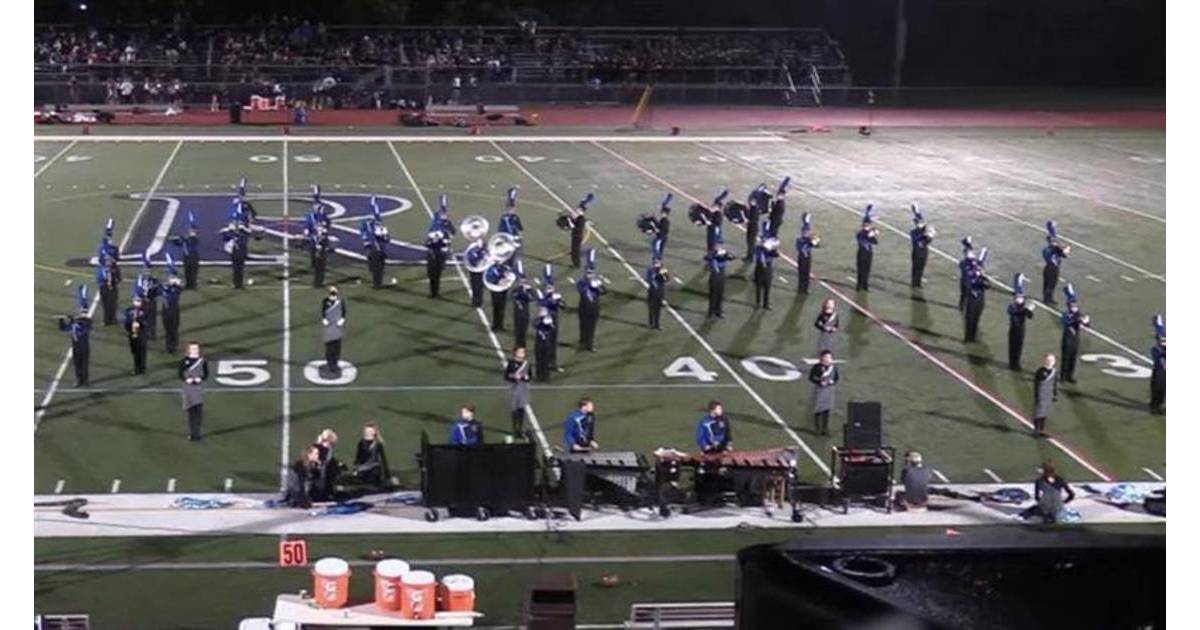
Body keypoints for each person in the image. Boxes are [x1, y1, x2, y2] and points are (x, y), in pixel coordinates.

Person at [57, 286, 92, 387]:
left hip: (84, 346)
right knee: (77, 364)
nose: (83, 314)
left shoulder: (87, 322)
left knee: (84, 364)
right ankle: (79, 380)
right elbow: (63, 328)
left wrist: (73, 321)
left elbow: (83, 329)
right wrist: (61, 320)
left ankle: (85, 381)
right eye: (82, 312)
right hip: (76, 346)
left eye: (84, 312)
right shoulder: (76, 322)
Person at [1059, 284, 1090, 384]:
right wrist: (1078, 320)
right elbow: (1067, 322)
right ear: (1069, 306)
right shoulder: (1066, 314)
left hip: (1075, 339)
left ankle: (1070, 375)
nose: (1075, 308)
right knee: (1066, 357)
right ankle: (1063, 376)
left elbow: (1085, 326)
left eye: (1076, 306)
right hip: (1067, 339)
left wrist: (1086, 321)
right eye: (1073, 306)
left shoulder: (1079, 315)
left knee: (1073, 358)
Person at [576, 250, 606, 352]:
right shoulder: (581, 282)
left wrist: (598, 286)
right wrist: (589, 285)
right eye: (588, 273)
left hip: (594, 308)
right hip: (583, 308)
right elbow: (581, 291)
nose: (590, 275)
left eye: (591, 273)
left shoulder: (596, 282)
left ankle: (590, 344)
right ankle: (582, 343)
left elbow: (604, 292)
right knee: (583, 326)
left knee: (592, 328)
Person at [178, 341, 208, 441]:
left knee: (198, 412)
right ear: (188, 350)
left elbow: (206, 374)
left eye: (196, 348)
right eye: (192, 348)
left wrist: (201, 378)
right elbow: (180, 374)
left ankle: (197, 433)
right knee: (191, 412)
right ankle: (192, 433)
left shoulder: (202, 361)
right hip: (188, 388)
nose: (194, 350)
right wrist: (187, 379)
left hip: (198, 388)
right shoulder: (184, 361)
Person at [360, 197, 390, 289]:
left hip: (380, 249)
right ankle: (376, 283)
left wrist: (384, 236)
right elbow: (365, 235)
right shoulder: (368, 225)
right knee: (375, 267)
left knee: (379, 268)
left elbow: (387, 239)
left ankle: (378, 283)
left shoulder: (379, 226)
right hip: (374, 249)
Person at [1006, 274, 1035, 370]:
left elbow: (1030, 317)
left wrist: (1030, 310)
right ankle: (1012, 363)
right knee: (1012, 347)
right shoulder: (1012, 306)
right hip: (1013, 328)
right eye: (1018, 297)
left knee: (1019, 346)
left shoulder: (1023, 307)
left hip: (1021, 329)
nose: (1019, 299)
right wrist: (1026, 309)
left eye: (1021, 298)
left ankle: (1017, 363)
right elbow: (1012, 312)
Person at [808, 350, 839, 435]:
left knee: (827, 410)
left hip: (829, 390)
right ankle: (817, 429)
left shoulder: (833, 367)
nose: (827, 359)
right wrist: (819, 382)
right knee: (818, 410)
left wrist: (832, 382)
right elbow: (811, 377)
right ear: (821, 358)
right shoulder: (817, 367)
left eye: (829, 357)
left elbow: (836, 378)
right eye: (826, 357)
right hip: (820, 390)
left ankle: (825, 429)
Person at [351, 423, 390, 489]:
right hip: (363, 467)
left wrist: (387, 474)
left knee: (373, 478)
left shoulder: (377, 443)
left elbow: (383, 458)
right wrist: (355, 468)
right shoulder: (361, 442)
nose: (368, 432)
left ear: (374, 432)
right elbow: (358, 456)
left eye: (370, 431)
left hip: (374, 467)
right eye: (367, 431)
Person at [704, 241, 735, 319]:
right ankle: (711, 312)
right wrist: (715, 254)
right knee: (713, 295)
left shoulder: (724, 254)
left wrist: (726, 254)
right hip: (714, 276)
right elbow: (707, 257)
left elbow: (732, 257)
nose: (719, 247)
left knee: (720, 294)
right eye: (717, 246)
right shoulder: (712, 254)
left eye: (720, 246)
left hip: (722, 276)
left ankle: (719, 311)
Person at [505, 346, 532, 436]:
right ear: (515, 353)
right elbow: (506, 376)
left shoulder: (527, 364)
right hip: (514, 388)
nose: (522, 354)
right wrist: (514, 377)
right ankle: (514, 429)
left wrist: (526, 378)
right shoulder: (511, 363)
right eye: (520, 352)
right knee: (514, 409)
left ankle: (520, 430)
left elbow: (530, 377)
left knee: (521, 409)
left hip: (523, 388)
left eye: (523, 352)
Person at [171, 211, 201, 290]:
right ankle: (188, 285)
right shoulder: (186, 238)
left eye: (192, 231)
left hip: (193, 257)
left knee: (193, 272)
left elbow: (188, 240)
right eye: (190, 231)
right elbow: (178, 243)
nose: (190, 232)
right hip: (186, 257)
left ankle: (193, 285)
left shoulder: (194, 239)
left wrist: (181, 238)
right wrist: (173, 239)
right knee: (187, 271)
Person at [320, 286, 346, 377]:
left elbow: (343, 312)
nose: (333, 295)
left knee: (337, 347)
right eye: (331, 293)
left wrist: (342, 319)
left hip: (337, 327)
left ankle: (334, 363)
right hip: (329, 327)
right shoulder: (325, 301)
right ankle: (330, 364)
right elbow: (323, 311)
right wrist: (324, 319)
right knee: (329, 348)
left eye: (334, 294)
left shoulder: (340, 301)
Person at [1042, 221, 1069, 305]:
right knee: (1048, 284)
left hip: (1055, 268)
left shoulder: (1056, 249)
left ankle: (1050, 298)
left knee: (1053, 284)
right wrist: (1060, 249)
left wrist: (1065, 251)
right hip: (1050, 268)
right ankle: (1046, 299)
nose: (1055, 243)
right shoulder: (1047, 250)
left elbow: (1064, 255)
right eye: (1053, 242)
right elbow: (1050, 257)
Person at [312, 429, 342, 502]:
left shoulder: (327, 448)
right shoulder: (320, 448)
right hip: (318, 474)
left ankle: (328, 491)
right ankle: (324, 492)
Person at [1032, 353, 1058, 438]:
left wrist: (1055, 394)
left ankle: (1042, 430)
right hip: (1041, 394)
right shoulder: (1040, 372)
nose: (1050, 362)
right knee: (1039, 413)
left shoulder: (1054, 371)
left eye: (1052, 360)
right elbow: (1037, 384)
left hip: (1048, 394)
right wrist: (1037, 396)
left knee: (1044, 413)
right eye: (1049, 360)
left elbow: (1054, 383)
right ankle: (1036, 430)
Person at [752, 230, 780, 310]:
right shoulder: (758, 248)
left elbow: (776, 255)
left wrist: (772, 248)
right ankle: (757, 303)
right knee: (758, 287)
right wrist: (764, 247)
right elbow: (758, 255)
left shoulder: (770, 249)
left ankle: (766, 304)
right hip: (760, 269)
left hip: (768, 268)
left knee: (767, 287)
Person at [963, 266, 991, 343]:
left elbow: (988, 285)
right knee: (969, 320)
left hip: (980, 302)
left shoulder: (982, 279)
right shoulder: (971, 277)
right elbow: (968, 285)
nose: (979, 272)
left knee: (976, 319)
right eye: (978, 271)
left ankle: (973, 337)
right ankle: (967, 337)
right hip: (972, 301)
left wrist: (984, 277)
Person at [854, 206, 879, 292]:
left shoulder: (869, 233)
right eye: (865, 225)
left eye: (868, 225)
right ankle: (859, 285)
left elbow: (875, 242)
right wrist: (870, 234)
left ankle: (865, 285)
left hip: (869, 253)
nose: (867, 227)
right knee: (860, 269)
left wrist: (873, 235)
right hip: (862, 253)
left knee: (867, 269)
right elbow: (862, 240)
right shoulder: (860, 234)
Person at [909, 205, 934, 288]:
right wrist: (924, 234)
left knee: (921, 267)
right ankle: (914, 282)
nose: (919, 224)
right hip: (916, 251)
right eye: (918, 223)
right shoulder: (913, 232)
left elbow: (928, 240)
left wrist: (930, 235)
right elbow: (916, 238)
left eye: (920, 223)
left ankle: (918, 282)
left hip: (924, 251)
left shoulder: (924, 230)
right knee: (915, 267)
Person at [123, 293, 149, 375]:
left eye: (139, 301)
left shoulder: (145, 311)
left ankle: (142, 368)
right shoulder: (129, 310)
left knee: (142, 351)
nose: (137, 303)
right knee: (134, 351)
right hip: (132, 334)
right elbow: (126, 322)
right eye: (136, 301)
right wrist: (130, 327)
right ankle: (136, 368)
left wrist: (140, 324)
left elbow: (148, 322)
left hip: (142, 334)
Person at [161, 261, 184, 354]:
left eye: (171, 277)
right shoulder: (164, 287)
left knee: (174, 329)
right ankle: (168, 346)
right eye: (169, 276)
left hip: (174, 309)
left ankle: (173, 346)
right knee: (167, 329)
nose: (170, 278)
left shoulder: (176, 287)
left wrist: (177, 282)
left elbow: (182, 285)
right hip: (166, 309)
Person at [795, 213, 820, 294]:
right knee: (801, 273)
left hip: (808, 256)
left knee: (807, 273)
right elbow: (801, 248)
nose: (807, 233)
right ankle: (800, 288)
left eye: (808, 232)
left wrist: (815, 242)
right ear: (802, 232)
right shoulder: (800, 240)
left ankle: (805, 289)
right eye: (806, 232)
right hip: (802, 257)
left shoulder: (808, 239)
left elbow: (817, 246)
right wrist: (810, 242)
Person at [645, 249, 669, 330]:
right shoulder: (650, 270)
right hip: (652, 291)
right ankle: (651, 323)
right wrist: (655, 275)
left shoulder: (663, 269)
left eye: (657, 261)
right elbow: (648, 279)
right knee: (651, 309)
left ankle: (657, 324)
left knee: (658, 309)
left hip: (660, 291)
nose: (656, 263)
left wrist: (663, 275)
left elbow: (667, 280)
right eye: (655, 262)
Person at [569, 193, 594, 268]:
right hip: (577, 235)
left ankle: (576, 264)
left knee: (575, 250)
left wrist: (569, 221)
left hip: (576, 236)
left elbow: (572, 226)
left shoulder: (580, 220)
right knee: (575, 249)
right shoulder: (581, 219)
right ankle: (576, 262)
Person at [744, 185, 768, 261]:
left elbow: (752, 219)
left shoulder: (755, 209)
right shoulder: (754, 207)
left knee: (751, 242)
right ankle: (749, 255)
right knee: (750, 242)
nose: (750, 202)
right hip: (752, 226)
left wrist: (745, 219)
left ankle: (750, 257)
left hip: (753, 227)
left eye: (752, 201)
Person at [425, 225, 450, 298]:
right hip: (431, 263)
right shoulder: (431, 243)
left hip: (437, 262)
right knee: (431, 278)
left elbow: (445, 249)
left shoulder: (442, 243)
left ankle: (436, 293)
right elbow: (427, 245)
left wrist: (443, 264)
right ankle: (433, 293)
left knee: (437, 278)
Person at [512, 272, 534, 349]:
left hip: (525, 314)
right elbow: (514, 296)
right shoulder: (516, 290)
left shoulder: (529, 291)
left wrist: (526, 291)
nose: (522, 283)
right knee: (517, 332)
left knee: (524, 332)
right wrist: (522, 291)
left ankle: (523, 347)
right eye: (520, 281)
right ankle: (517, 346)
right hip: (517, 314)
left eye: (523, 281)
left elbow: (531, 298)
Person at [533, 307, 555, 382]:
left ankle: (546, 376)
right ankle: (539, 375)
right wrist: (541, 319)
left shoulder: (549, 320)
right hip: (538, 342)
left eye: (544, 312)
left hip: (546, 343)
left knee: (546, 360)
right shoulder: (538, 320)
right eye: (542, 312)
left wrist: (547, 321)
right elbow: (534, 324)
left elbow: (551, 328)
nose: (542, 313)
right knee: (538, 359)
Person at [465, 239, 488, 308]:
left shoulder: (484, 250)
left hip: (481, 270)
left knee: (480, 287)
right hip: (474, 270)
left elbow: (488, 259)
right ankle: (475, 302)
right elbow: (472, 260)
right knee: (475, 286)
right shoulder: (472, 251)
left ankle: (479, 302)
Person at [96, 258, 119, 326]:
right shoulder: (102, 269)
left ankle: (113, 318)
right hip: (104, 288)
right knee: (105, 305)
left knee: (113, 304)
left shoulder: (115, 270)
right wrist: (106, 282)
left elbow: (119, 279)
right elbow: (99, 279)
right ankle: (106, 320)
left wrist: (114, 280)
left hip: (113, 288)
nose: (109, 264)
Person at [1150, 315, 1165, 414]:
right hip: (1160, 357)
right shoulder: (1163, 331)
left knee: (1159, 383)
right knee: (1159, 384)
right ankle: (1156, 405)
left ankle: (1156, 403)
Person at [957, 237, 977, 312]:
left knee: (968, 295)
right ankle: (961, 306)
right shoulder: (963, 263)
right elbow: (966, 270)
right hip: (965, 281)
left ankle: (965, 306)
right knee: (964, 294)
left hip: (969, 281)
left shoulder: (970, 262)